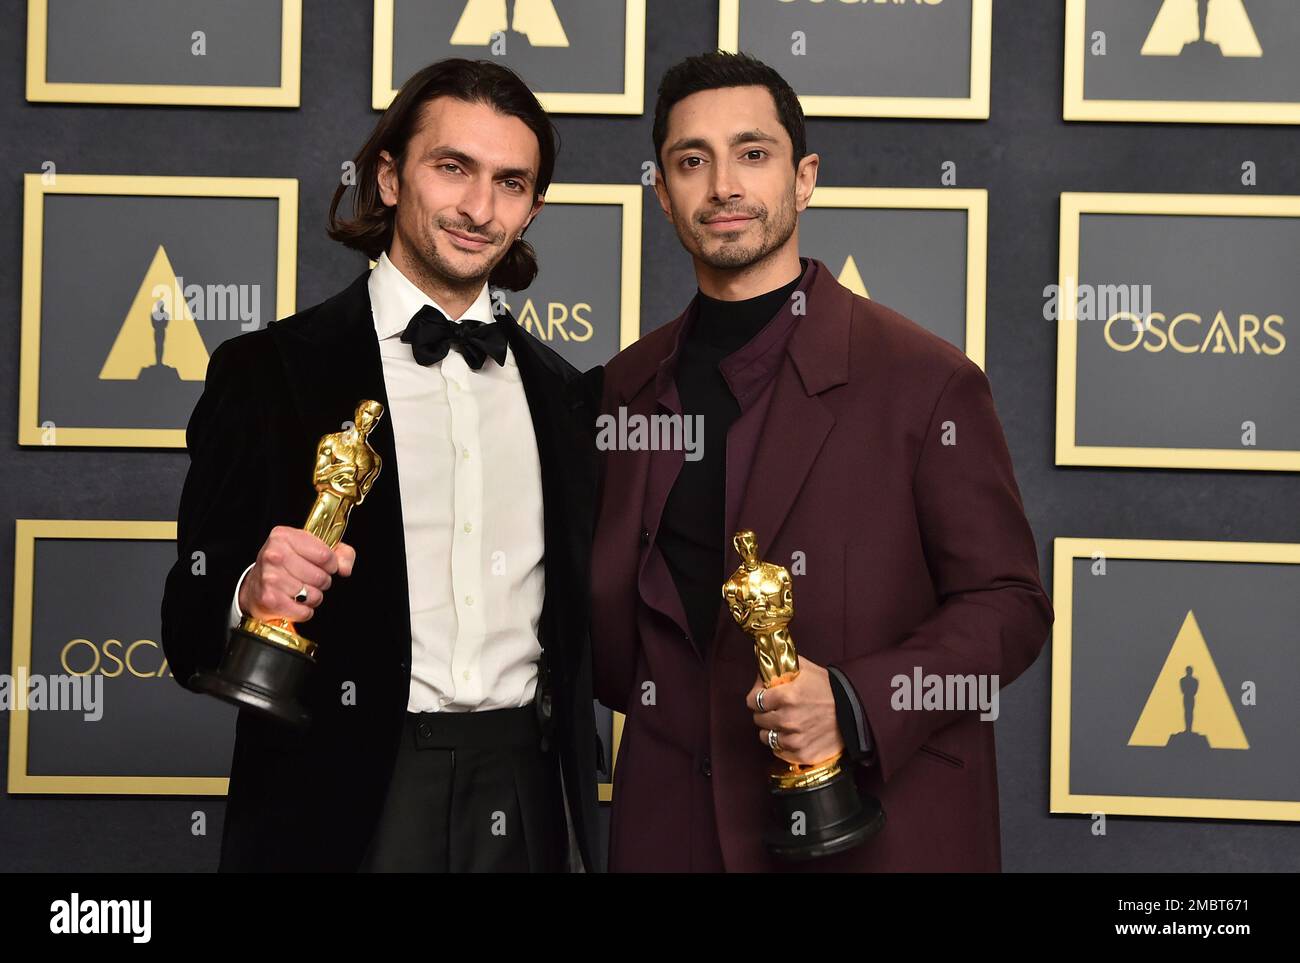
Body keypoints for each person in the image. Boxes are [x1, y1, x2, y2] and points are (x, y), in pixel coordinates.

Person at [591, 51, 1054, 871]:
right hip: (669, 833)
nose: (723, 185)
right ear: (662, 192)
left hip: (865, 834)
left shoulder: (926, 380)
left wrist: (853, 700)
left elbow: (1010, 606)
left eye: (753, 153)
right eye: (692, 161)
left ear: (803, 179)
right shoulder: (623, 386)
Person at [161, 58, 602, 872]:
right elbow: (186, 622)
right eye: (453, 168)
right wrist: (247, 592)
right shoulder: (269, 371)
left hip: (524, 795)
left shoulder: (569, 397)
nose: (479, 208)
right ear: (391, 177)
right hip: (335, 797)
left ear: (534, 206)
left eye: (510, 182)